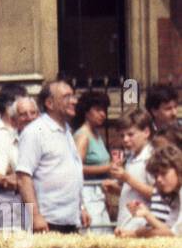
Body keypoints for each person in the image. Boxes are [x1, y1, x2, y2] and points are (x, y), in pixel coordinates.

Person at [16, 79, 90, 233]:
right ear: (49, 103)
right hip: (48, 223)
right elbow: (23, 178)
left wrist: (81, 207)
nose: (74, 101)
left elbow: (73, 172)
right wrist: (35, 216)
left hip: (71, 221)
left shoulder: (67, 132)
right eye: (66, 97)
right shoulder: (35, 132)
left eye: (73, 96)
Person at [0, 87, 39, 230]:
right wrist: (6, 179)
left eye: (33, 113)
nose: (30, 118)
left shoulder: (49, 140)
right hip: (14, 209)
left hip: (44, 207)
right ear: (15, 119)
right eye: (23, 114)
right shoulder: (7, 141)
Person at [106, 109, 156, 232]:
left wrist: (127, 178)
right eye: (122, 135)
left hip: (141, 228)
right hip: (126, 225)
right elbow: (136, 193)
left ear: (146, 132)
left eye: (130, 134)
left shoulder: (152, 158)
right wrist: (116, 189)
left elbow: (158, 195)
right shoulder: (131, 157)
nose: (125, 139)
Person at [72, 90, 113, 232]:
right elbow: (76, 168)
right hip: (87, 194)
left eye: (104, 110)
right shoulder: (83, 136)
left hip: (99, 193)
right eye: (97, 110)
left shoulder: (96, 134)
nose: (103, 114)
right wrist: (108, 167)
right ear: (86, 112)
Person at [120, 142, 181, 236]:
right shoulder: (176, 195)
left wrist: (135, 234)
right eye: (156, 176)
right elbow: (169, 230)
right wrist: (146, 214)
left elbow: (171, 234)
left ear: (178, 169)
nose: (159, 180)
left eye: (164, 173)